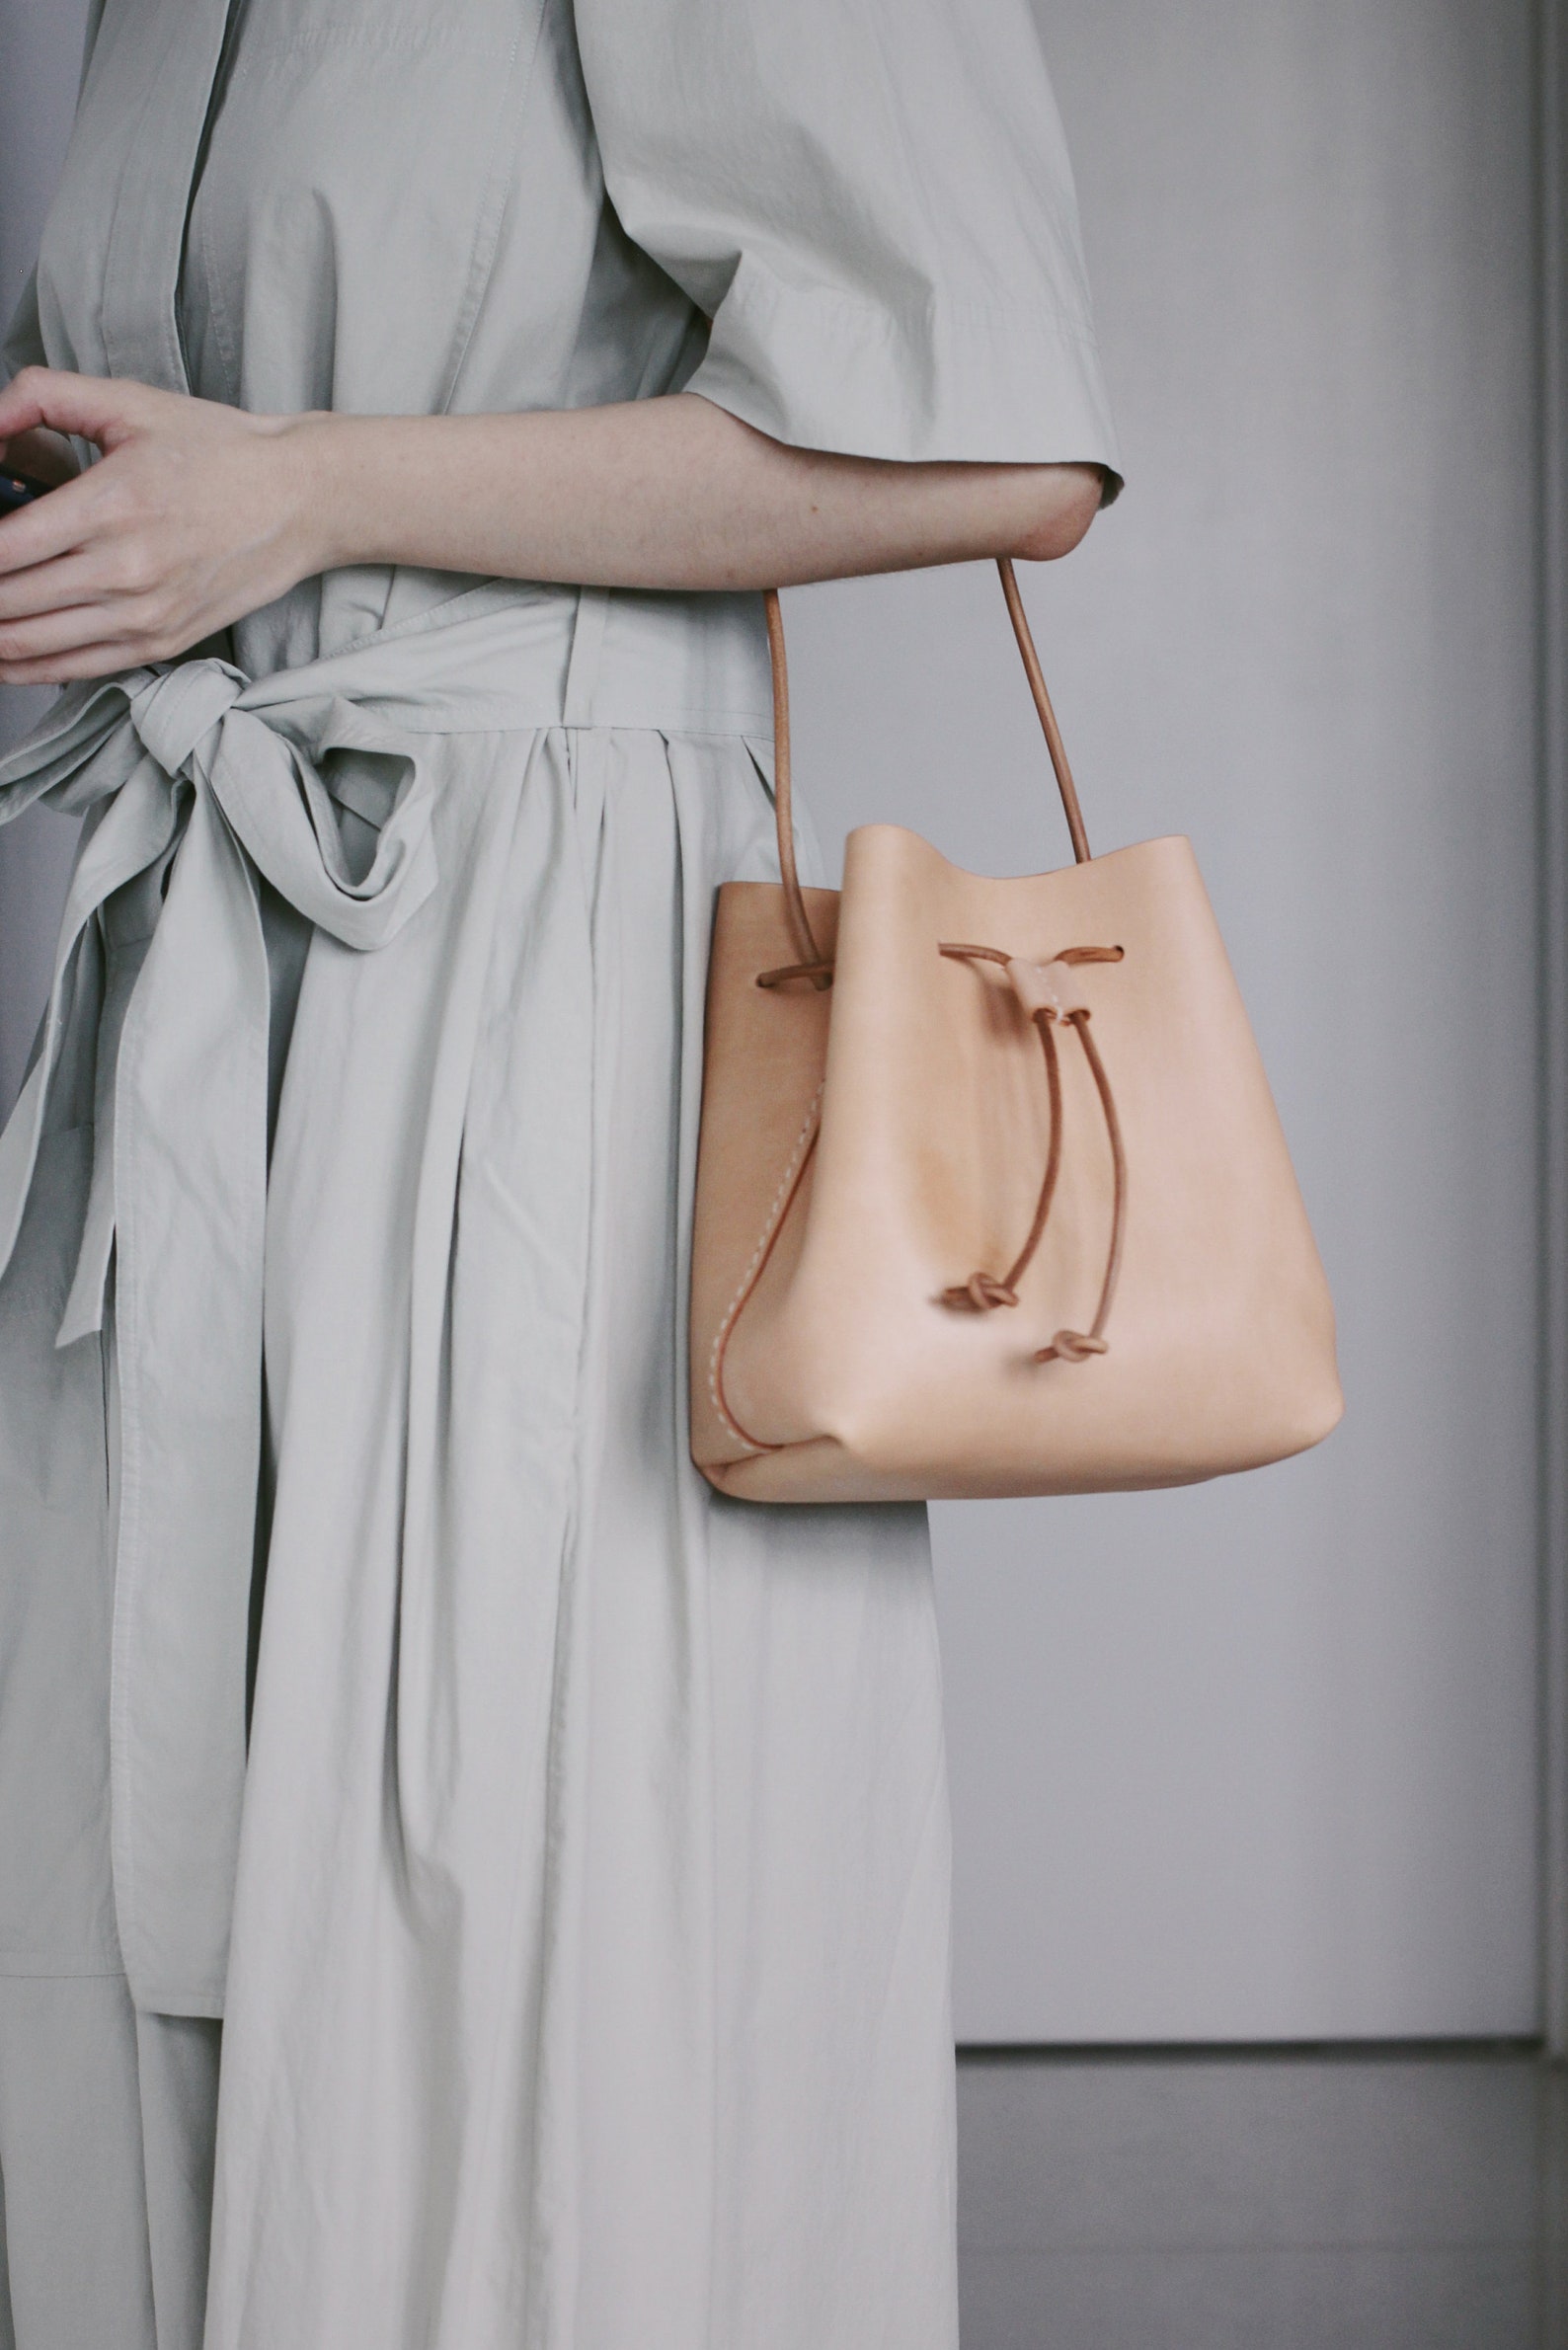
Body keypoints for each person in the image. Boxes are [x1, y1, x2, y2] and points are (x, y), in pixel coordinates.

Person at [0, 1, 1120, 2343]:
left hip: (534, 979)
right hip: (207, 959)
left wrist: (314, 491)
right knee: (149, 1874)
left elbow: (1001, 444)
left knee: (498, 1899)